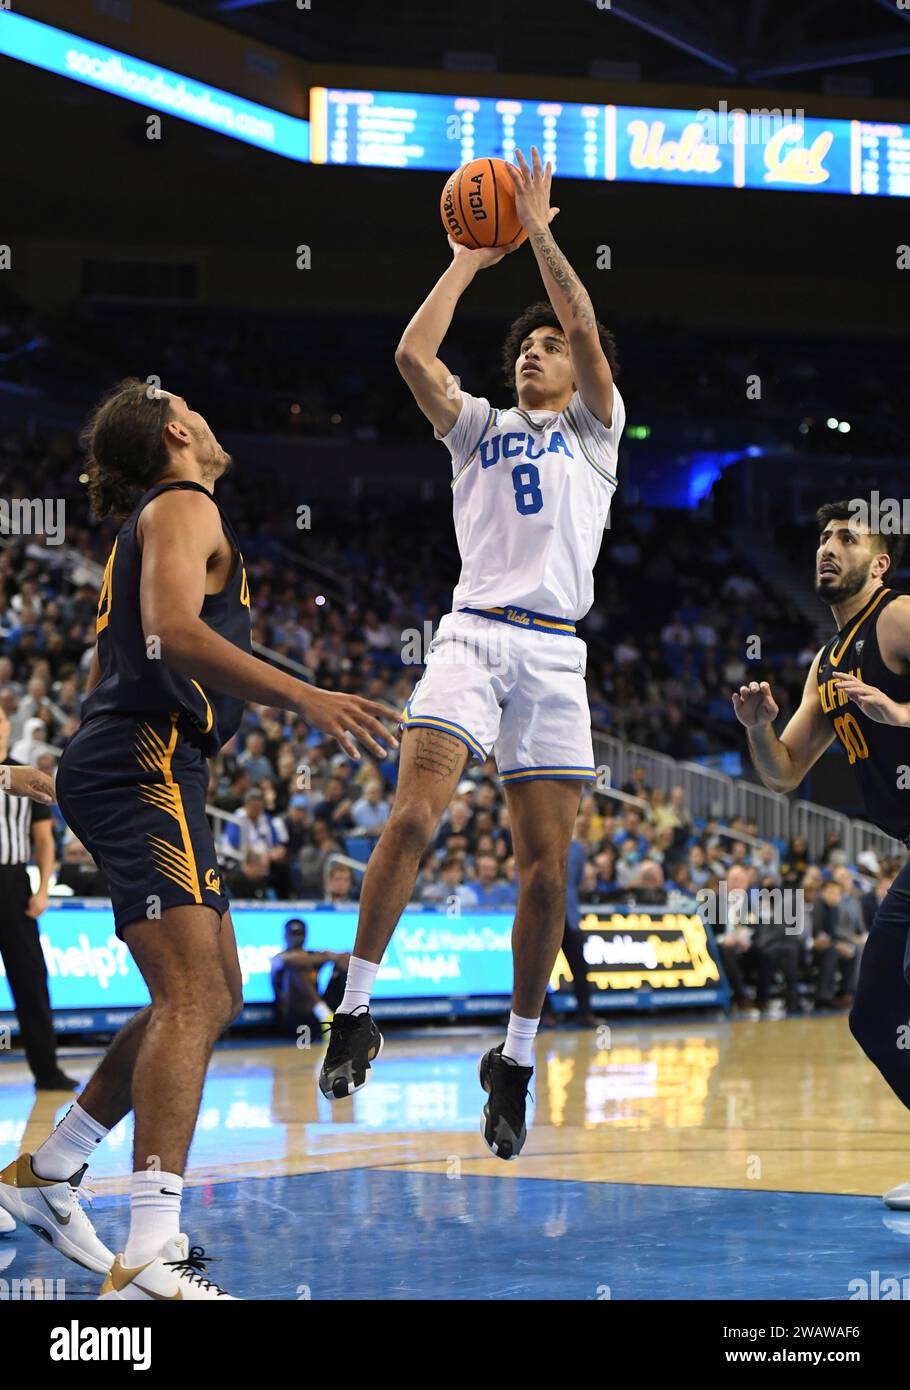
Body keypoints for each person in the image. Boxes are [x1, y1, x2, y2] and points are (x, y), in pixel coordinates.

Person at [0, 379, 399, 1300]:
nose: (211, 415)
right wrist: (305, 693)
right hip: (145, 764)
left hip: (162, 770)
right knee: (188, 996)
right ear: (178, 431)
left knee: (210, 992)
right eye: (193, 406)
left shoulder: (169, 511)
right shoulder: (181, 503)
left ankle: (54, 1171)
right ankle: (151, 1247)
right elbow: (170, 631)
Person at [318, 148, 624, 1162]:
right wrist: (463, 257)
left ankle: (516, 1058)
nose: (536, 353)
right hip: (473, 635)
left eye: (550, 347)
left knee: (546, 874)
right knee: (413, 812)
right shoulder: (479, 426)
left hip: (553, 658)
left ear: (581, 373)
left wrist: (535, 232)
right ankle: (356, 1007)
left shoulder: (595, 433)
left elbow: (580, 319)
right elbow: (412, 359)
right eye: (525, 347)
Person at [733, 499, 910, 1210]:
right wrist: (759, 726)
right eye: (823, 539)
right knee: (873, 1013)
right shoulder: (827, 661)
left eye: (848, 537)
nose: (828, 548)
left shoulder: (898, 617)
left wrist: (901, 714)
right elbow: (783, 772)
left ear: (880, 562)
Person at [0, 718, 72, 1093]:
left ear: (8, 726)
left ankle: (47, 1072)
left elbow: (44, 841)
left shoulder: (23, 776)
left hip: (13, 882)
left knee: (30, 978)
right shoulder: (13, 775)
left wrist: (43, 888)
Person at [270, 917, 348, 1039]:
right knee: (296, 968)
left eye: (299, 935)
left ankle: (348, 1017)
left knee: (343, 968)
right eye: (293, 935)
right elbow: (290, 961)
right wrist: (329, 957)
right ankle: (325, 1015)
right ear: (285, 936)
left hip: (315, 1018)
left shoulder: (314, 955)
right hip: (292, 1018)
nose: (296, 939)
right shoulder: (279, 958)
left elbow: (346, 957)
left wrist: (336, 961)